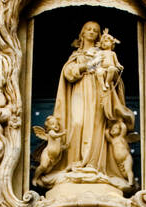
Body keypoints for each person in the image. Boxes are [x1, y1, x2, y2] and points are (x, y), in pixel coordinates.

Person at [51, 20, 136, 185]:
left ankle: (93, 166)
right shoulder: (76, 55)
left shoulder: (103, 52)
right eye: (88, 29)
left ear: (98, 35)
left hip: (98, 91)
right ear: (82, 33)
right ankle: (74, 164)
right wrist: (85, 66)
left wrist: (108, 73)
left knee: (96, 126)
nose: (91, 32)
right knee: (76, 123)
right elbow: (68, 73)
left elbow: (113, 72)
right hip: (79, 89)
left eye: (95, 30)